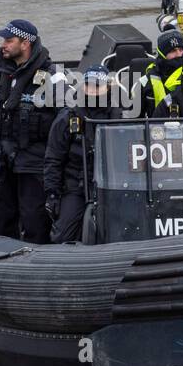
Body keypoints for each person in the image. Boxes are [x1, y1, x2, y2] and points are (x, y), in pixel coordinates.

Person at [0, 19, 58, 243]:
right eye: (3, 41)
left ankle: (36, 265)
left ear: (26, 43)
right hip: (0, 158)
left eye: (9, 40)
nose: (3, 45)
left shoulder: (53, 77)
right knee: (0, 215)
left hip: (33, 161)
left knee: (34, 219)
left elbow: (63, 123)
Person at [43, 65, 114, 244]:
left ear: (108, 87)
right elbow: (53, 159)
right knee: (62, 236)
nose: (93, 90)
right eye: (89, 85)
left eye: (98, 86)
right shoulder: (68, 117)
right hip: (77, 186)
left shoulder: (121, 116)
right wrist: (52, 195)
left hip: (113, 187)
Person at [139, 27, 183, 117]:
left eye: (181, 50)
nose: (179, 54)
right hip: (156, 128)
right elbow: (135, 117)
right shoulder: (146, 80)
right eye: (173, 51)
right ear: (162, 55)